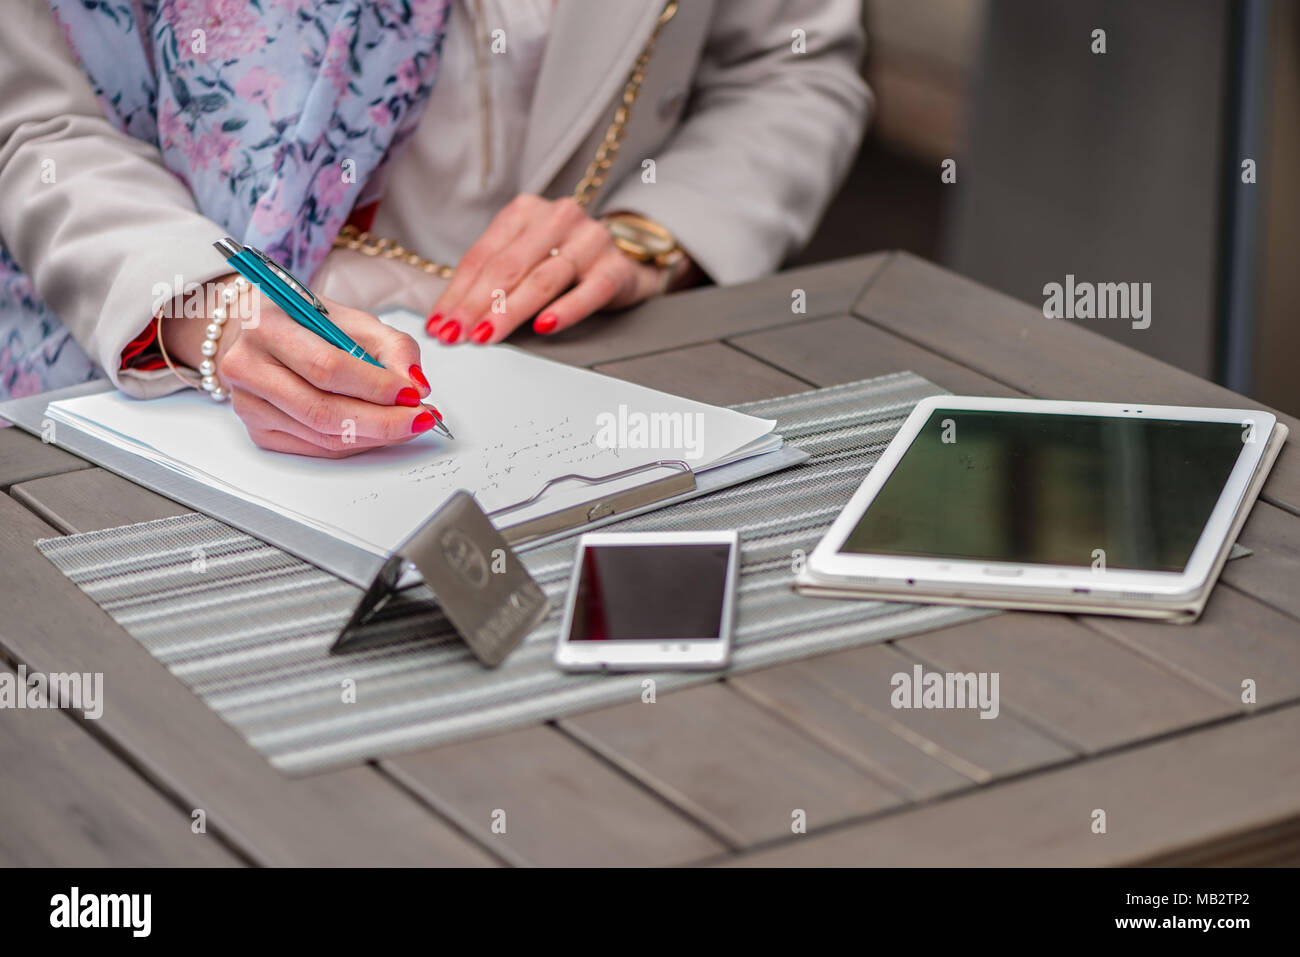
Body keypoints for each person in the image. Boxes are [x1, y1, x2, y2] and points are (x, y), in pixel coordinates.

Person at [0, 0, 870, 456]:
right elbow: (36, 126)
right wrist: (203, 305)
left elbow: (788, 69)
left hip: (602, 375)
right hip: (202, 390)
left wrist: (652, 233)